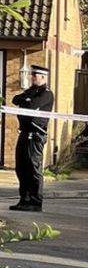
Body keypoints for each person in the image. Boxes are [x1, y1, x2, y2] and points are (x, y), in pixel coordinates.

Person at [10, 66, 53, 212]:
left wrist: (27, 100)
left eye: (35, 76)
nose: (32, 78)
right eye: (32, 75)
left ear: (43, 77)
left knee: (33, 167)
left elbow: (33, 105)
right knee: (21, 167)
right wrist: (26, 98)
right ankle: (24, 199)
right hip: (24, 132)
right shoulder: (31, 91)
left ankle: (35, 201)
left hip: (35, 134)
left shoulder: (46, 93)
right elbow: (15, 99)